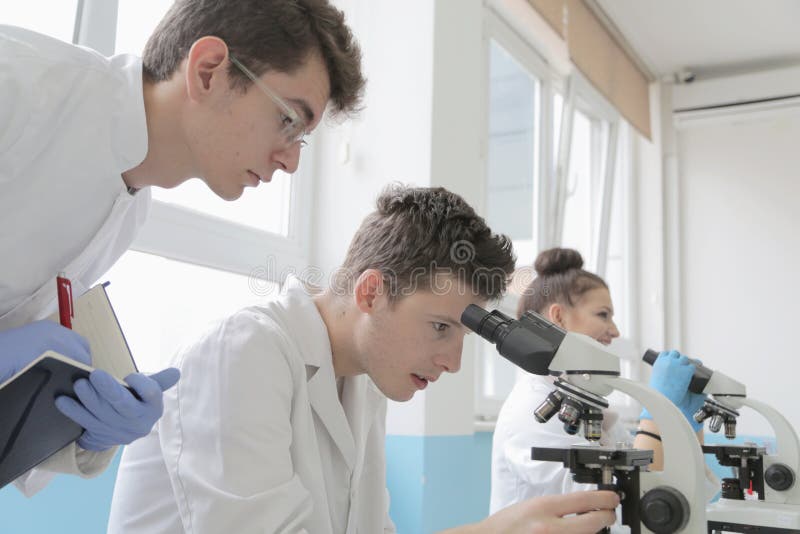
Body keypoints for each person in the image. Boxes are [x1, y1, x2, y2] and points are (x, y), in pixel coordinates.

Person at [0, 0, 365, 496]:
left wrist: (79, 426)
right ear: (209, 71)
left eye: (301, 140)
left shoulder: (128, 211)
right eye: (287, 121)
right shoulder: (20, 81)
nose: (290, 162)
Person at [108, 186, 619, 533]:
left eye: (462, 335)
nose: (453, 363)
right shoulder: (242, 351)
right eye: (440, 327)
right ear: (371, 291)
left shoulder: (365, 383)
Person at [490, 248, 706, 517]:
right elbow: (616, 499)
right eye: (603, 315)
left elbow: (662, 481)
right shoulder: (532, 407)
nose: (615, 331)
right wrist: (657, 412)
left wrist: (683, 424)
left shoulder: (588, 401)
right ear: (558, 317)